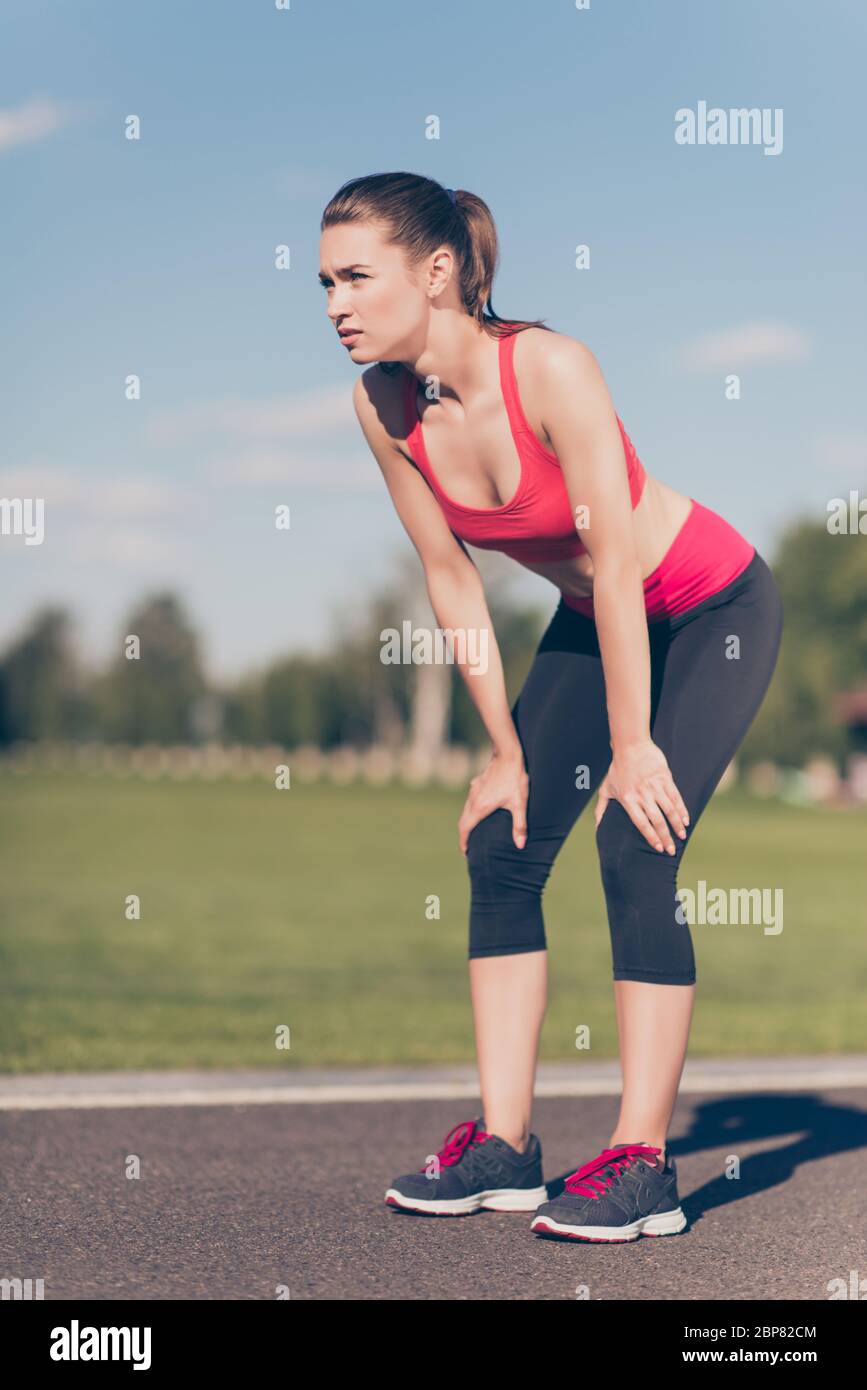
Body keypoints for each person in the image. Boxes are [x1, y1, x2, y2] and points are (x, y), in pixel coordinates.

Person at [319, 172, 783, 1242]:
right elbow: (450, 577)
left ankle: (644, 1166)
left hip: (707, 604)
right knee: (502, 837)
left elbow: (619, 564)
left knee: (636, 838)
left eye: (356, 276)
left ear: (436, 273)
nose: (336, 303)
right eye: (324, 283)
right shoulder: (382, 404)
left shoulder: (552, 368)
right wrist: (501, 751)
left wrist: (632, 746)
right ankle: (506, 1146)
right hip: (595, 614)